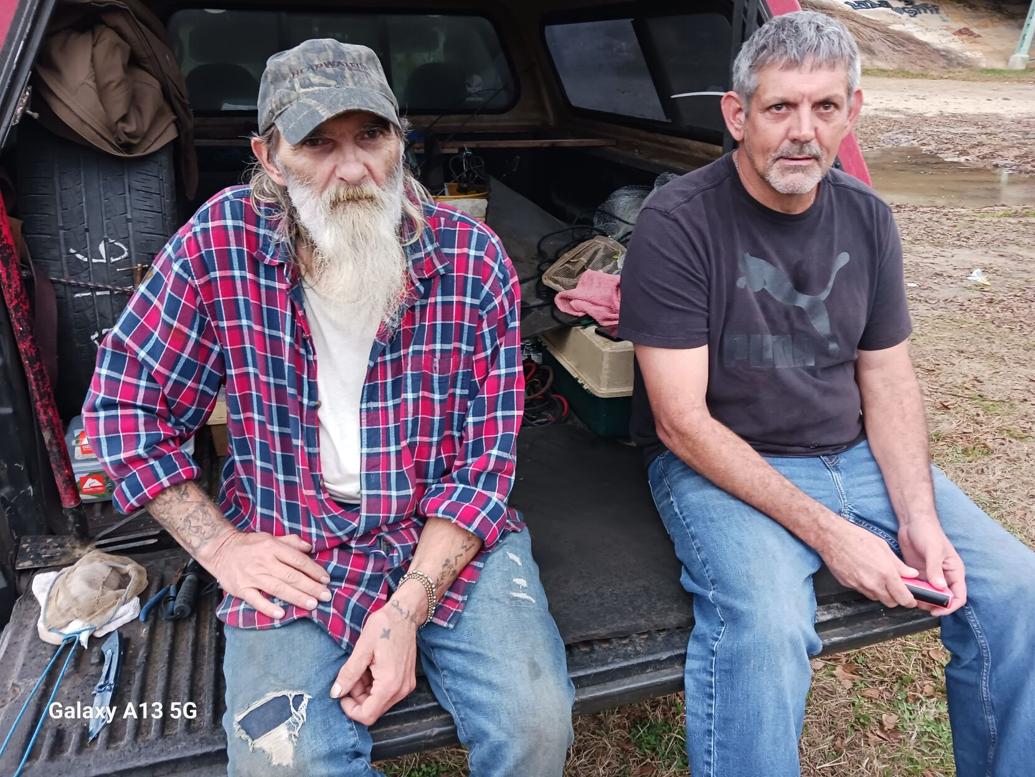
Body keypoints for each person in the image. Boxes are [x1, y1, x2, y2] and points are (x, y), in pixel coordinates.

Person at [84, 39, 573, 777]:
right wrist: (219, 547)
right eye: (318, 142)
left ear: (399, 138)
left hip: (438, 533)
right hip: (291, 536)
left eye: (371, 137)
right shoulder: (219, 242)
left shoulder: (470, 258)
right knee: (285, 765)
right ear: (270, 157)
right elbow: (123, 408)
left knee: (535, 725)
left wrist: (406, 609)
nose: (352, 169)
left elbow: (483, 464)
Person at [618, 11, 1035, 777]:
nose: (802, 131)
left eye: (824, 107)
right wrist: (832, 535)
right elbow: (680, 422)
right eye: (779, 107)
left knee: (1013, 587)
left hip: (855, 454)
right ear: (737, 115)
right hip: (721, 467)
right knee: (768, 625)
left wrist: (916, 517)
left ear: (853, 112)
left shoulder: (868, 217)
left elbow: (887, 375)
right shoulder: (676, 223)